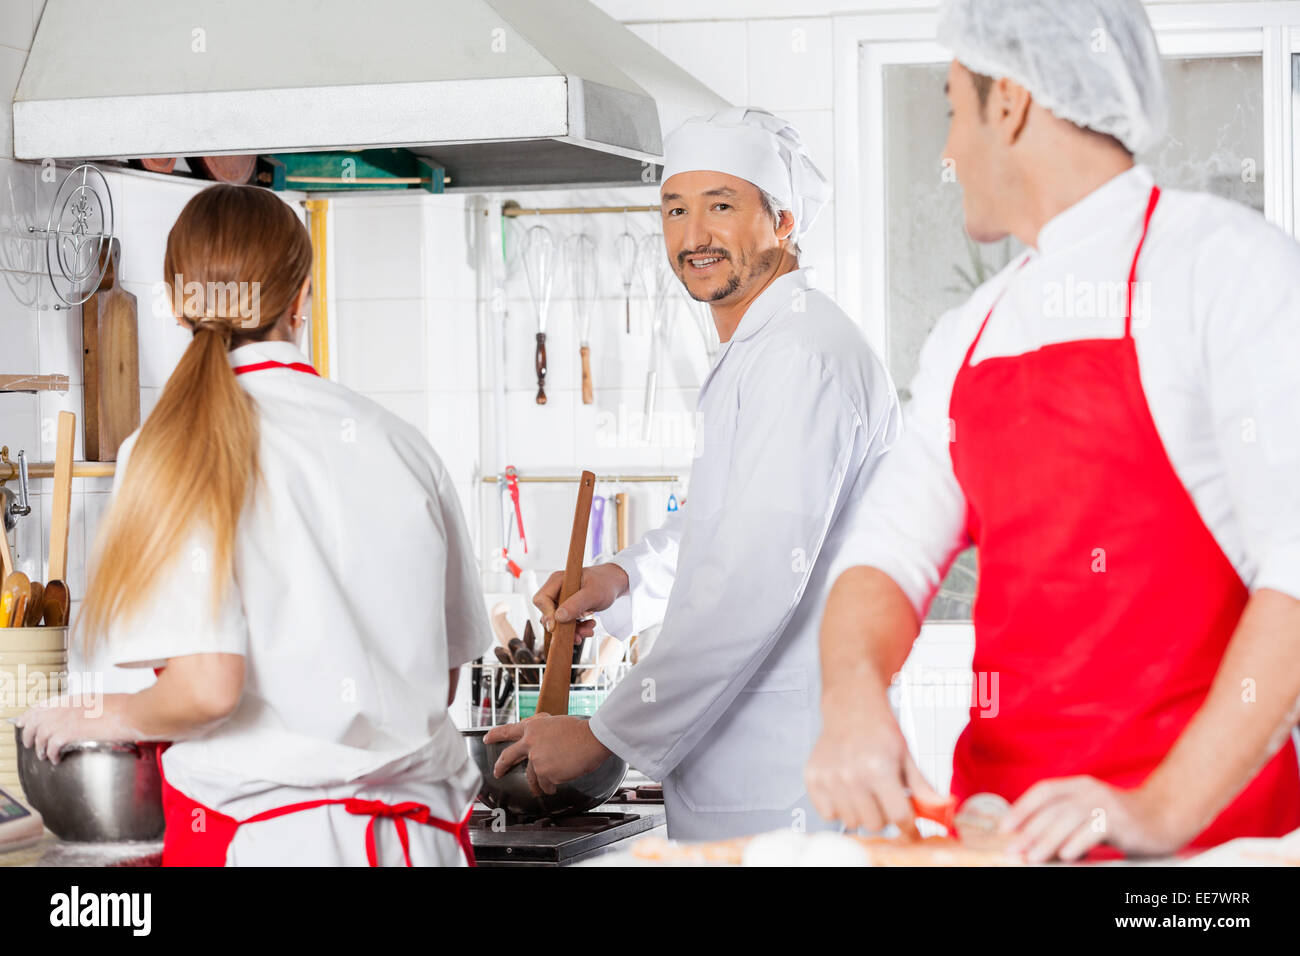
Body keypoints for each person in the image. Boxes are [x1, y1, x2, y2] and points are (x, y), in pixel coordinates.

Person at [805, 0, 1300, 862]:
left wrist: (1158, 810)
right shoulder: (973, 329)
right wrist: (852, 699)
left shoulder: (1228, 268)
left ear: (1013, 104)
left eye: (955, 108)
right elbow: (883, 556)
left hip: (1205, 859)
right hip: (1002, 838)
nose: (948, 151)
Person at [18, 184, 492, 866]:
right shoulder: (400, 443)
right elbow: (438, 682)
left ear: (180, 304)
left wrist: (98, 713)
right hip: (421, 842)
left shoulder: (166, 447)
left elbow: (206, 688)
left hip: (272, 844)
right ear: (302, 297)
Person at [487, 108, 902, 840]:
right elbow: (724, 529)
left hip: (791, 789)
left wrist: (604, 733)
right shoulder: (762, 349)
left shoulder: (799, 356)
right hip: (757, 785)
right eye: (675, 210)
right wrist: (619, 578)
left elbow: (751, 578)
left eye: (721, 206)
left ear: (783, 222)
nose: (693, 236)